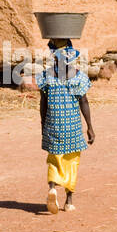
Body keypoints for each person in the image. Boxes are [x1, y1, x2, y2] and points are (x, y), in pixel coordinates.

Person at [35, 39, 94, 214]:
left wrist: (43, 123)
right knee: (72, 162)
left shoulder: (45, 77)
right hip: (73, 127)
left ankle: (52, 187)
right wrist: (90, 126)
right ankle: (69, 201)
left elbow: (43, 104)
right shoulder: (78, 76)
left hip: (53, 125)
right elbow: (84, 102)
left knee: (54, 159)